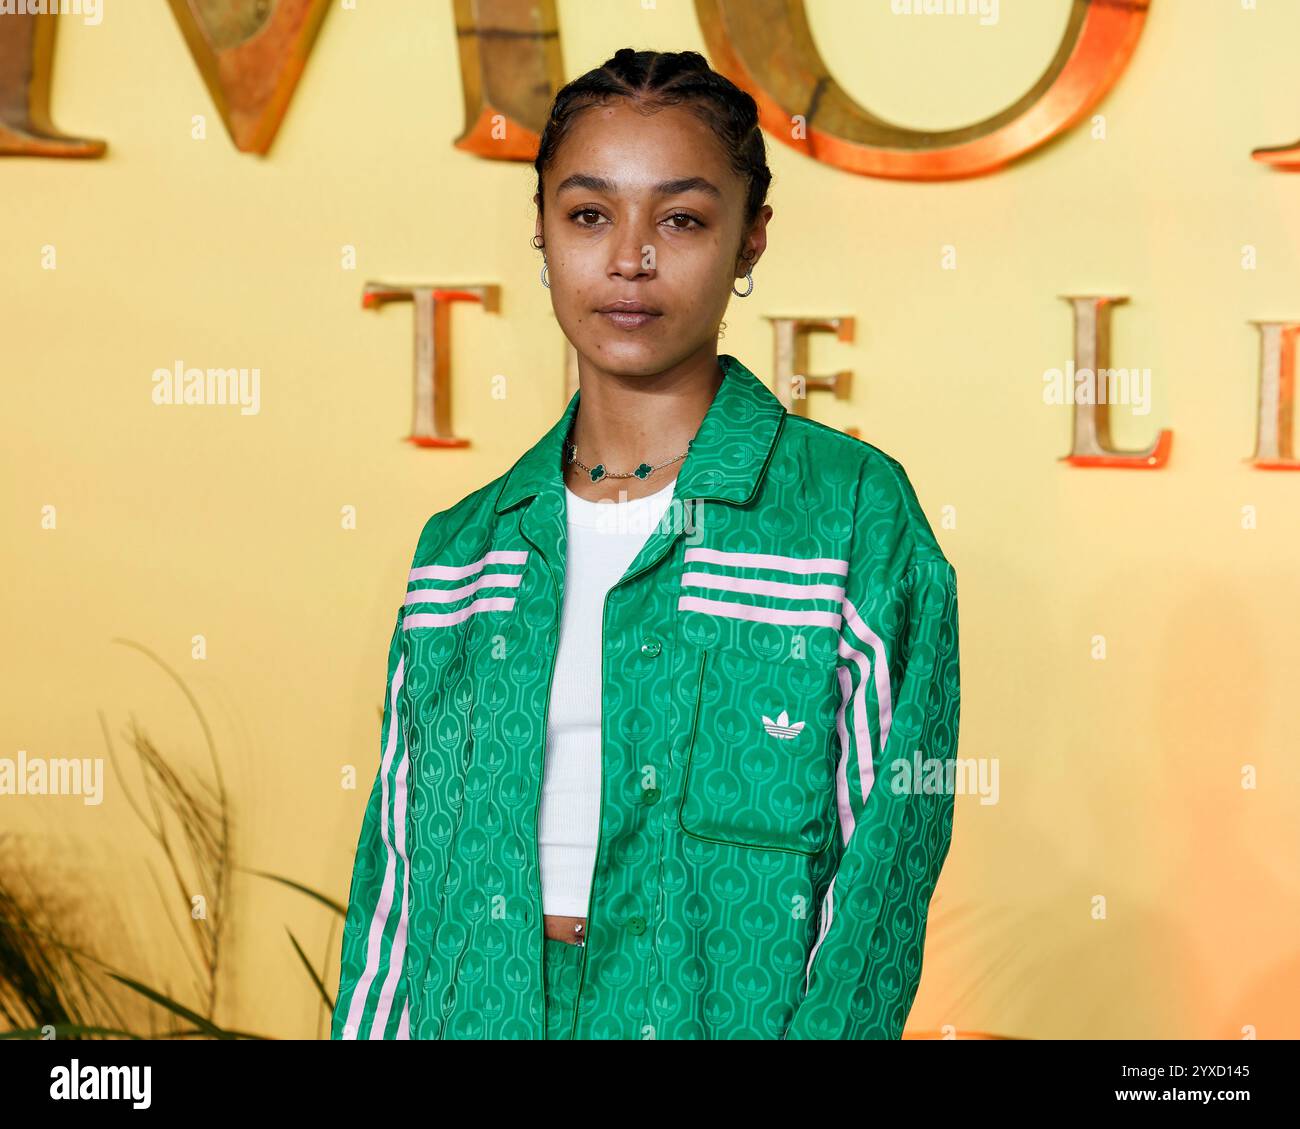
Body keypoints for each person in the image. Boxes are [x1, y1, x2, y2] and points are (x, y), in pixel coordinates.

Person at [331, 47, 960, 1041]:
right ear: (539, 232)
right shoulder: (460, 554)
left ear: (750, 238)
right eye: (588, 214)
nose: (630, 258)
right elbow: (398, 889)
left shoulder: (850, 519)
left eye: (682, 217)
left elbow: (885, 867)